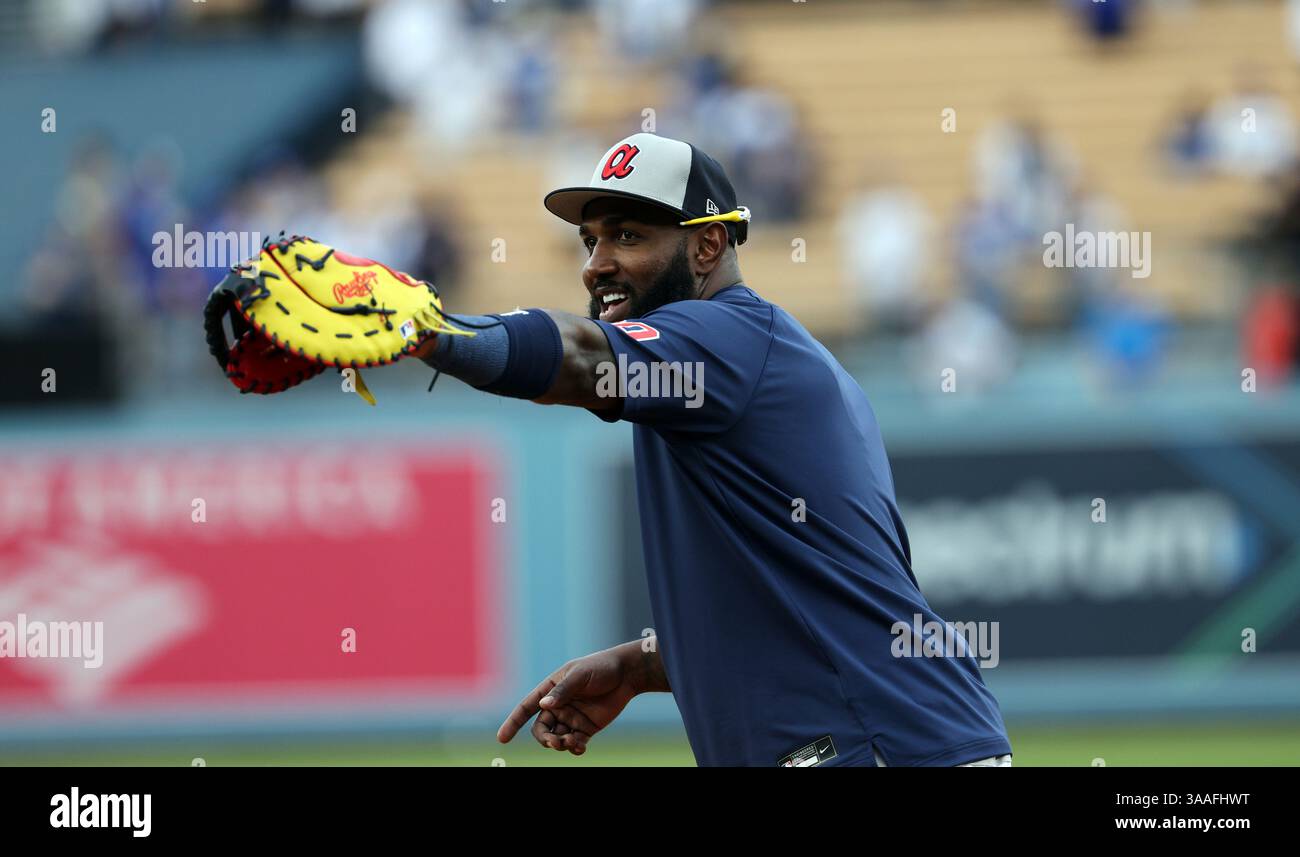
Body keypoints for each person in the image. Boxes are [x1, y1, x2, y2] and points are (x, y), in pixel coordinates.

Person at [416, 133, 1012, 766]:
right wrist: (644, 665)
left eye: (628, 235)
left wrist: (419, 328)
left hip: (884, 743)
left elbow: (578, 356)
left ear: (707, 245)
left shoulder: (726, 338)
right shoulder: (741, 359)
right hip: (900, 735)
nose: (595, 264)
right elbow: (806, 608)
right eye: (591, 240)